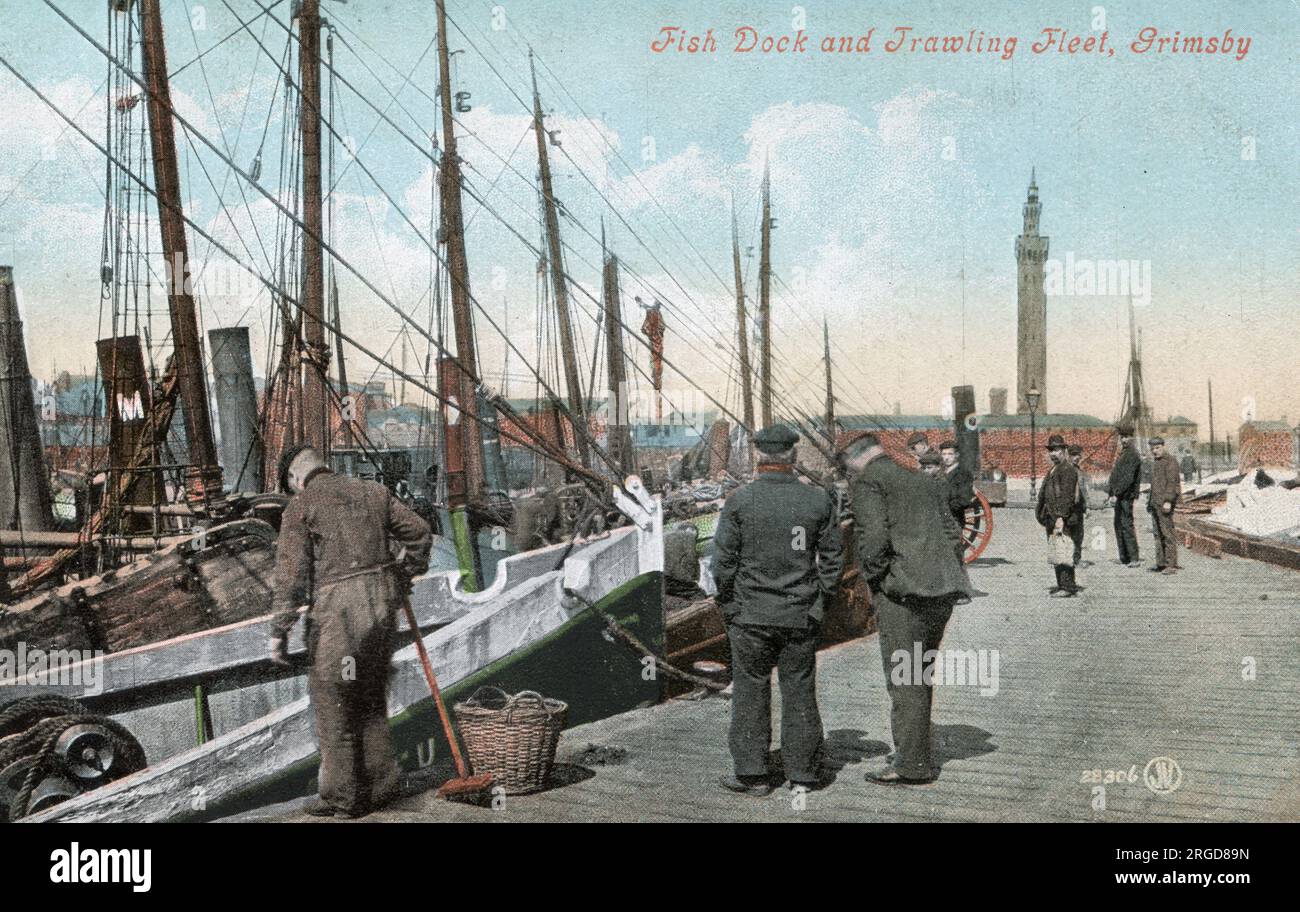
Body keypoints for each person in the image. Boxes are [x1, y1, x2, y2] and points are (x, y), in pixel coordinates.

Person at [269, 443, 433, 818]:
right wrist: (403, 574)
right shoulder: (373, 491)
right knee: (370, 697)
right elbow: (420, 532)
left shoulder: (301, 505)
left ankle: (342, 797)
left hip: (340, 617)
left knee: (334, 700)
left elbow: (291, 576)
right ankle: (382, 785)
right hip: (381, 610)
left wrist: (279, 630)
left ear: (294, 478)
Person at [712, 424, 844, 796]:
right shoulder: (817, 500)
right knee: (799, 691)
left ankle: (753, 775)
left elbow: (722, 565)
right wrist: (819, 604)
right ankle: (802, 774)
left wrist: (731, 606)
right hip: (799, 614)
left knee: (750, 692)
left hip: (750, 617)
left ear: (758, 456)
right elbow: (833, 560)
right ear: (793, 455)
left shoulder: (739, 501)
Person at [842, 433, 972, 785]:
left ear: (856, 459)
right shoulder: (922, 479)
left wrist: (878, 581)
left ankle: (912, 764)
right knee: (920, 673)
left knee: (905, 678)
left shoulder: (869, 482)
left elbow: (873, 542)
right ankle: (916, 754)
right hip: (942, 591)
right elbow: (953, 533)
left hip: (904, 595)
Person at [1036, 434, 1083, 597]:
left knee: (1064, 549)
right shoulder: (1054, 469)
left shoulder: (1067, 469)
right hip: (1052, 516)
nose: (1053, 454)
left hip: (1062, 518)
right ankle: (1061, 584)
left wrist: (1061, 517)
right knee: (1057, 550)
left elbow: (1067, 496)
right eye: (1051, 451)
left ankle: (1068, 587)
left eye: (1056, 450)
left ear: (1064, 451)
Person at [1106, 424, 1142, 567]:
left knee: (1126, 525)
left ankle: (1134, 558)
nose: (1124, 440)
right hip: (1120, 496)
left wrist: (1116, 493)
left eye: (1126, 437)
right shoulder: (1124, 453)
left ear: (1132, 437)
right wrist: (1111, 492)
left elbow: (1127, 478)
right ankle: (1124, 557)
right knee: (1119, 525)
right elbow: (1116, 475)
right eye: (1122, 437)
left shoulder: (1132, 454)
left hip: (1126, 496)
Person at [1148, 436, 1182, 574]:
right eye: (1152, 449)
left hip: (1164, 503)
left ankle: (1171, 564)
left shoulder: (1170, 461)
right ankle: (1161, 563)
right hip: (1155, 502)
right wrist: (1150, 502)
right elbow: (1154, 485)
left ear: (1163, 446)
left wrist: (1168, 500)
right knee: (1158, 534)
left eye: (1157, 448)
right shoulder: (1156, 463)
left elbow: (1172, 483)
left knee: (1167, 533)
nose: (1155, 451)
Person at [939, 439, 976, 529]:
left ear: (957, 455)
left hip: (954, 520)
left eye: (950, 454)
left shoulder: (964, 474)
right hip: (938, 520)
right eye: (944, 454)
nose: (946, 458)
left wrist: (945, 509)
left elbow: (964, 499)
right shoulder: (940, 473)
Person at [1067, 444, 1089, 567]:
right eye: (1073, 455)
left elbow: (1083, 490)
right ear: (1069, 456)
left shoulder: (1080, 471)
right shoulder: (1065, 470)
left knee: (1078, 534)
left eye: (1078, 455)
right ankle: (1068, 559)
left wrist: (1087, 507)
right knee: (1069, 533)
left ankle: (1077, 559)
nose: (1076, 458)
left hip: (1078, 507)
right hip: (1068, 507)